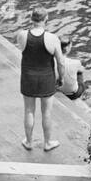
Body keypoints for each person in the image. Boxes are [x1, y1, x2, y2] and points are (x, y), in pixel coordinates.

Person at [17, 8, 64, 151]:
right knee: (47, 112)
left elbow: (24, 51)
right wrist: (60, 78)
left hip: (28, 77)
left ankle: (29, 142)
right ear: (46, 19)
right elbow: (60, 62)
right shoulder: (52, 38)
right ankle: (48, 142)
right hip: (46, 78)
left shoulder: (22, 35)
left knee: (29, 110)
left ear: (31, 18)